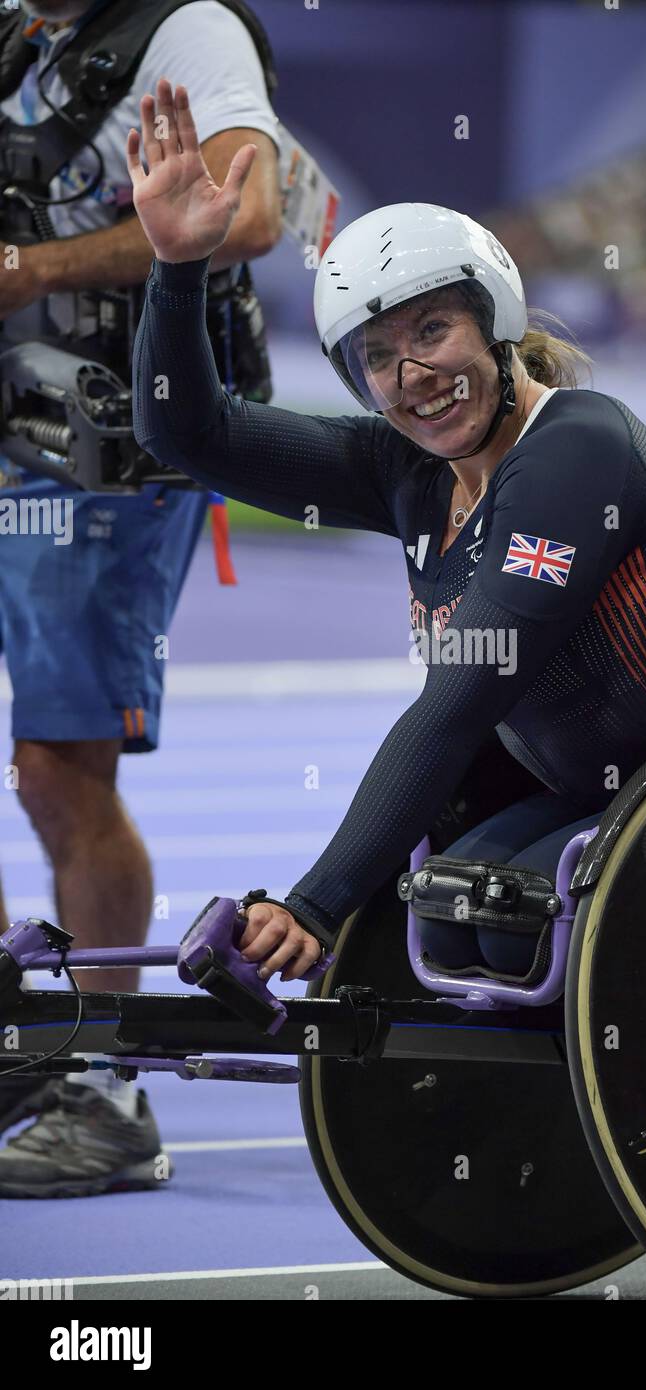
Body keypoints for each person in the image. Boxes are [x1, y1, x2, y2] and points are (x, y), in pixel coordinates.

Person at [130, 81, 646, 987]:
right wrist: (178, 271)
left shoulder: (581, 449)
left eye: (431, 330)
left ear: (492, 322)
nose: (412, 373)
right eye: (377, 356)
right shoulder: (405, 470)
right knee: (450, 920)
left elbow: (460, 700)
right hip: (586, 791)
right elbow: (187, 432)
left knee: (509, 932)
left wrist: (315, 904)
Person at [0, 0, 282, 1198]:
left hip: (115, 448)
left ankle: (107, 1093)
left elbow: (250, 214)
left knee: (64, 766)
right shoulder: (23, 31)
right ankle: (28, 1029)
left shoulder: (191, 30)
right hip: (22, 423)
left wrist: (30, 271)